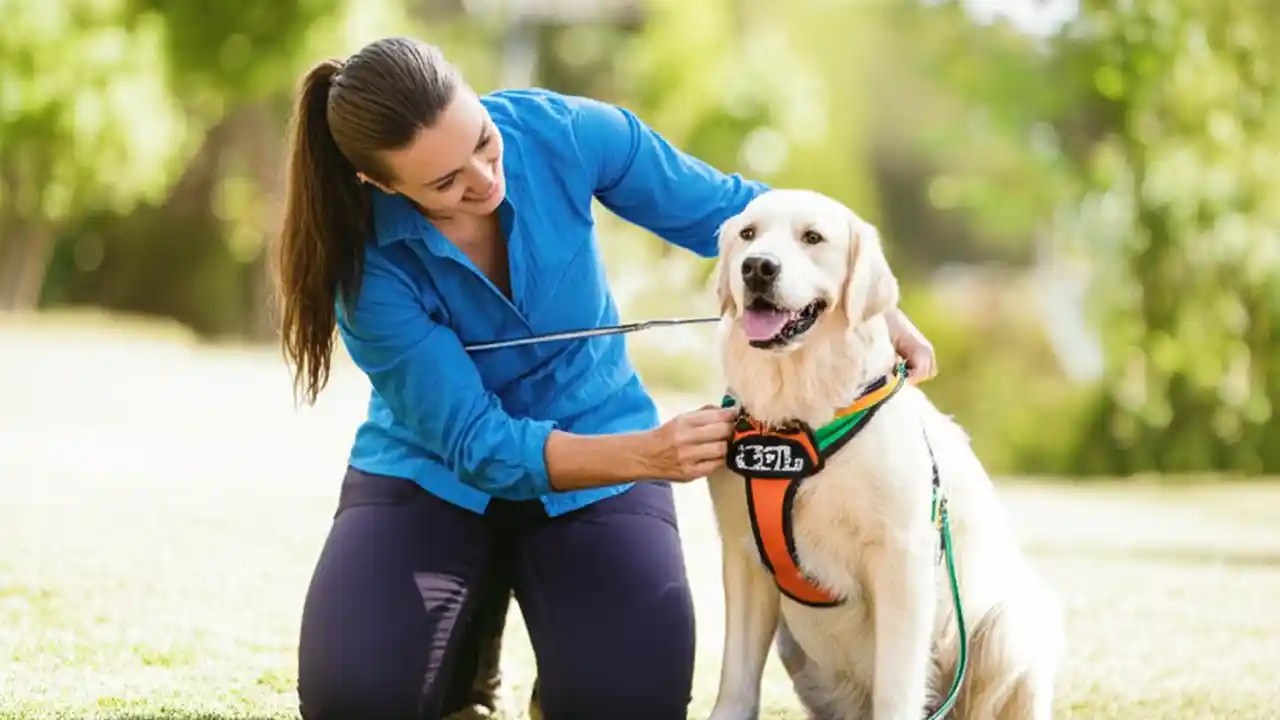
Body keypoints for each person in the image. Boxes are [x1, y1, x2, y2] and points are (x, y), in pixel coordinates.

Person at [273, 35, 938, 720]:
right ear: (381, 184)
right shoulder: (365, 269)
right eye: (445, 183)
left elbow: (734, 213)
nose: (484, 177)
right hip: (436, 472)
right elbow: (474, 441)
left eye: (482, 138)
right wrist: (652, 454)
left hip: (595, 440)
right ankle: (467, 646)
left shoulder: (566, 132)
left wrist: (870, 302)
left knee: (627, 704)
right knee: (354, 700)